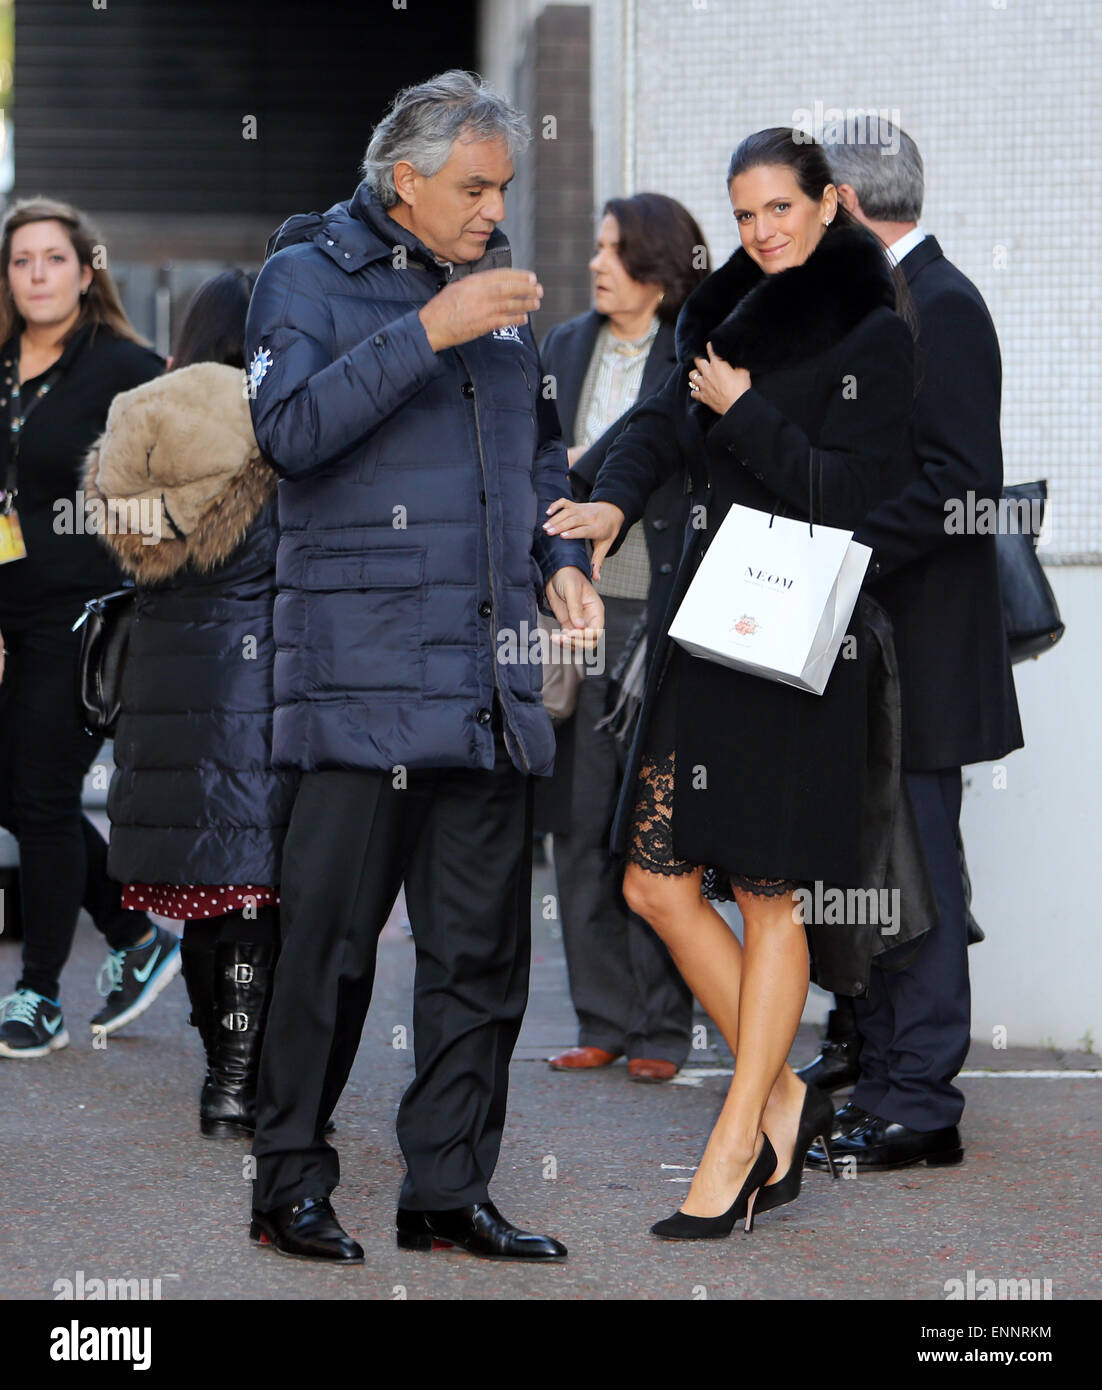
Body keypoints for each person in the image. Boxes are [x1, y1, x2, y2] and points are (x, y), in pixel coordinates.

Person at [244, 71, 602, 1263]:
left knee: (481, 962)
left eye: (502, 187)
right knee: (328, 959)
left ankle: (446, 1193)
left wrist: (560, 549)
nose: (493, 209)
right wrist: (425, 331)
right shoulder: (305, 275)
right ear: (406, 178)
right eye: (473, 186)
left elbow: (539, 455)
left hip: (488, 689)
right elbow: (289, 435)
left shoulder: (504, 310)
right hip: (358, 690)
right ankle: (289, 1182)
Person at [545, 129, 916, 1237]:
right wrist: (610, 503)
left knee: (767, 896)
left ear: (827, 202)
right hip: (703, 631)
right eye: (743, 212)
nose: (758, 230)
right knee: (651, 883)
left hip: (797, 642)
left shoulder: (873, 331)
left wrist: (748, 410)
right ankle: (788, 1097)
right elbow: (658, 420)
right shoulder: (716, 313)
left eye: (777, 209)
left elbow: (857, 499)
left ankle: (738, 1138)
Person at [801, 121, 1023, 1171]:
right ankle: (885, 1076)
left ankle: (922, 1105)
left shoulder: (942, 304)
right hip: (873, 650)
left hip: (923, 654)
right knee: (880, 877)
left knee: (919, 881)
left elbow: (959, 484)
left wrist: (830, 553)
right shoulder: (885, 303)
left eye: (805, 203)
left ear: (844, 202)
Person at [83, 270, 298, 1137]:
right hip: (256, 695)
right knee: (252, 897)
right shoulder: (280, 425)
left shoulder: (141, 427)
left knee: (209, 900)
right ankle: (243, 1081)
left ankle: (222, 1077)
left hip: (166, 689)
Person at [0, 198, 176, 1059]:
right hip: (4, 611)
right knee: (14, 791)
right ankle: (135, 936)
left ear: (84, 270)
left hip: (79, 612)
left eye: (53, 259)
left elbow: (192, 451)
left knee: (38, 795)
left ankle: (38, 993)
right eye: (22, 261)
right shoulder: (1, 365)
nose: (37, 274)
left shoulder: (123, 365)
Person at [540, 193, 706, 1083]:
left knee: (650, 825)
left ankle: (661, 1029)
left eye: (615, 250)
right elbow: (540, 461)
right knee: (574, 821)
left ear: (657, 265)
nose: (598, 264)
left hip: (657, 612)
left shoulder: (691, 351)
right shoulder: (566, 345)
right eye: (598, 247)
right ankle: (599, 1015)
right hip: (572, 613)